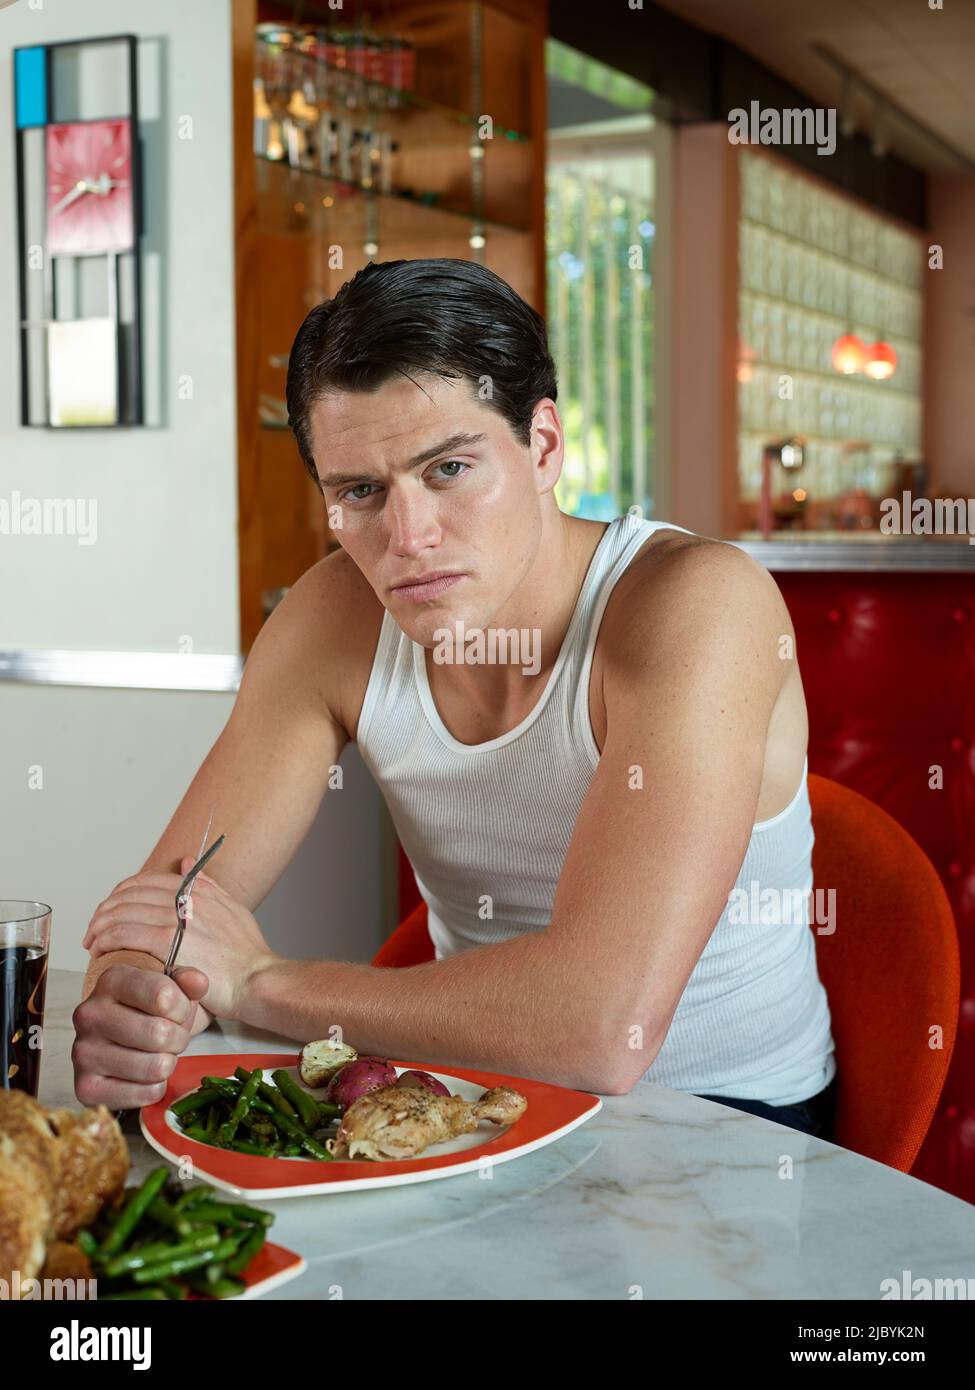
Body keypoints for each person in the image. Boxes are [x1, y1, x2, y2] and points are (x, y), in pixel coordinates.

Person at [75, 258, 837, 1138]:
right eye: (359, 491)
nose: (408, 539)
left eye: (448, 470)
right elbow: (174, 903)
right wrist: (134, 993)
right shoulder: (335, 614)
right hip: (466, 1107)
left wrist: (258, 983)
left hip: (725, 1127)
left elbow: (599, 1031)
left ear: (543, 446)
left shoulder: (698, 605)